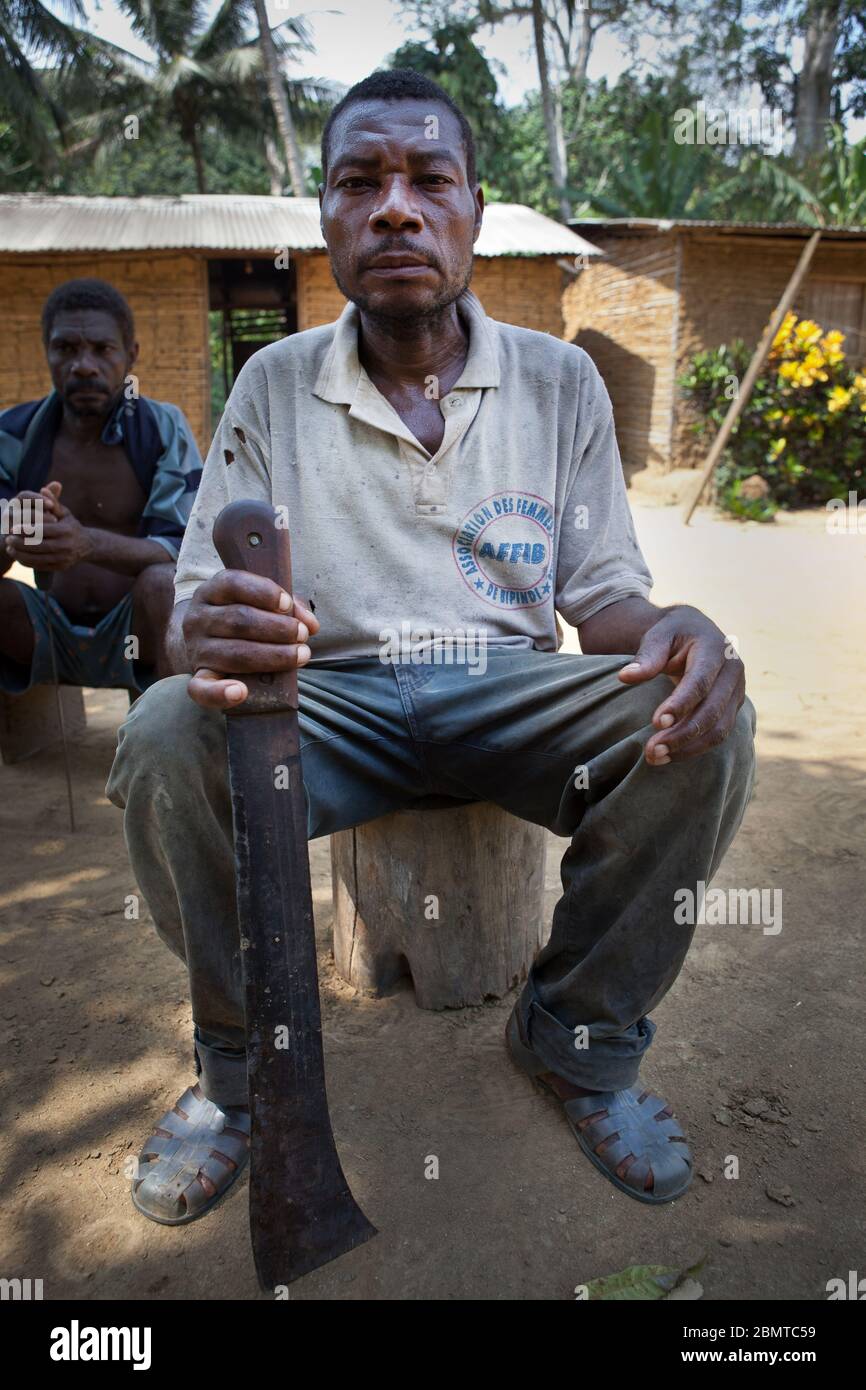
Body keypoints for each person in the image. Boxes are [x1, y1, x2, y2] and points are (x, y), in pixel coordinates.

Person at [106, 70, 756, 1228]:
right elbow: (201, 602)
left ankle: (577, 1038)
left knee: (706, 716)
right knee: (163, 733)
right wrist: (199, 627)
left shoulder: (557, 381)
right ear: (325, 215)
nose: (394, 208)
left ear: (471, 211)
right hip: (327, 704)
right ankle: (240, 1072)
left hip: (507, 689)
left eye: (426, 181)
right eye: (360, 182)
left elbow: (602, 596)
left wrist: (677, 632)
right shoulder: (273, 381)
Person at [0, 279, 202, 696]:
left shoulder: (162, 429)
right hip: (44, 630)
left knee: (164, 582)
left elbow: (188, 551)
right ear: (48, 353)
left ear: (131, 356)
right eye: (66, 349)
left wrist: (85, 543)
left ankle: (171, 739)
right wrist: (12, 533)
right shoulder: (13, 434)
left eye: (102, 349)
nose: (84, 366)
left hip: (138, 633)